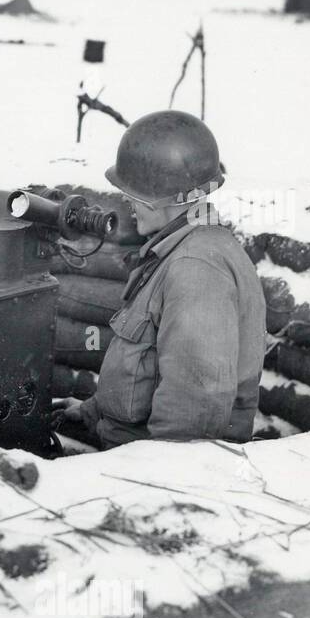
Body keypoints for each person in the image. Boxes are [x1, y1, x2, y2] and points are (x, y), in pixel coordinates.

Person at [57, 110, 267, 448]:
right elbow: (145, 369)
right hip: (124, 449)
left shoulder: (196, 269)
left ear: (159, 198)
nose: (128, 202)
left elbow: (191, 419)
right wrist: (92, 412)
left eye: (133, 194)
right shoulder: (183, 247)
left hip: (145, 470)